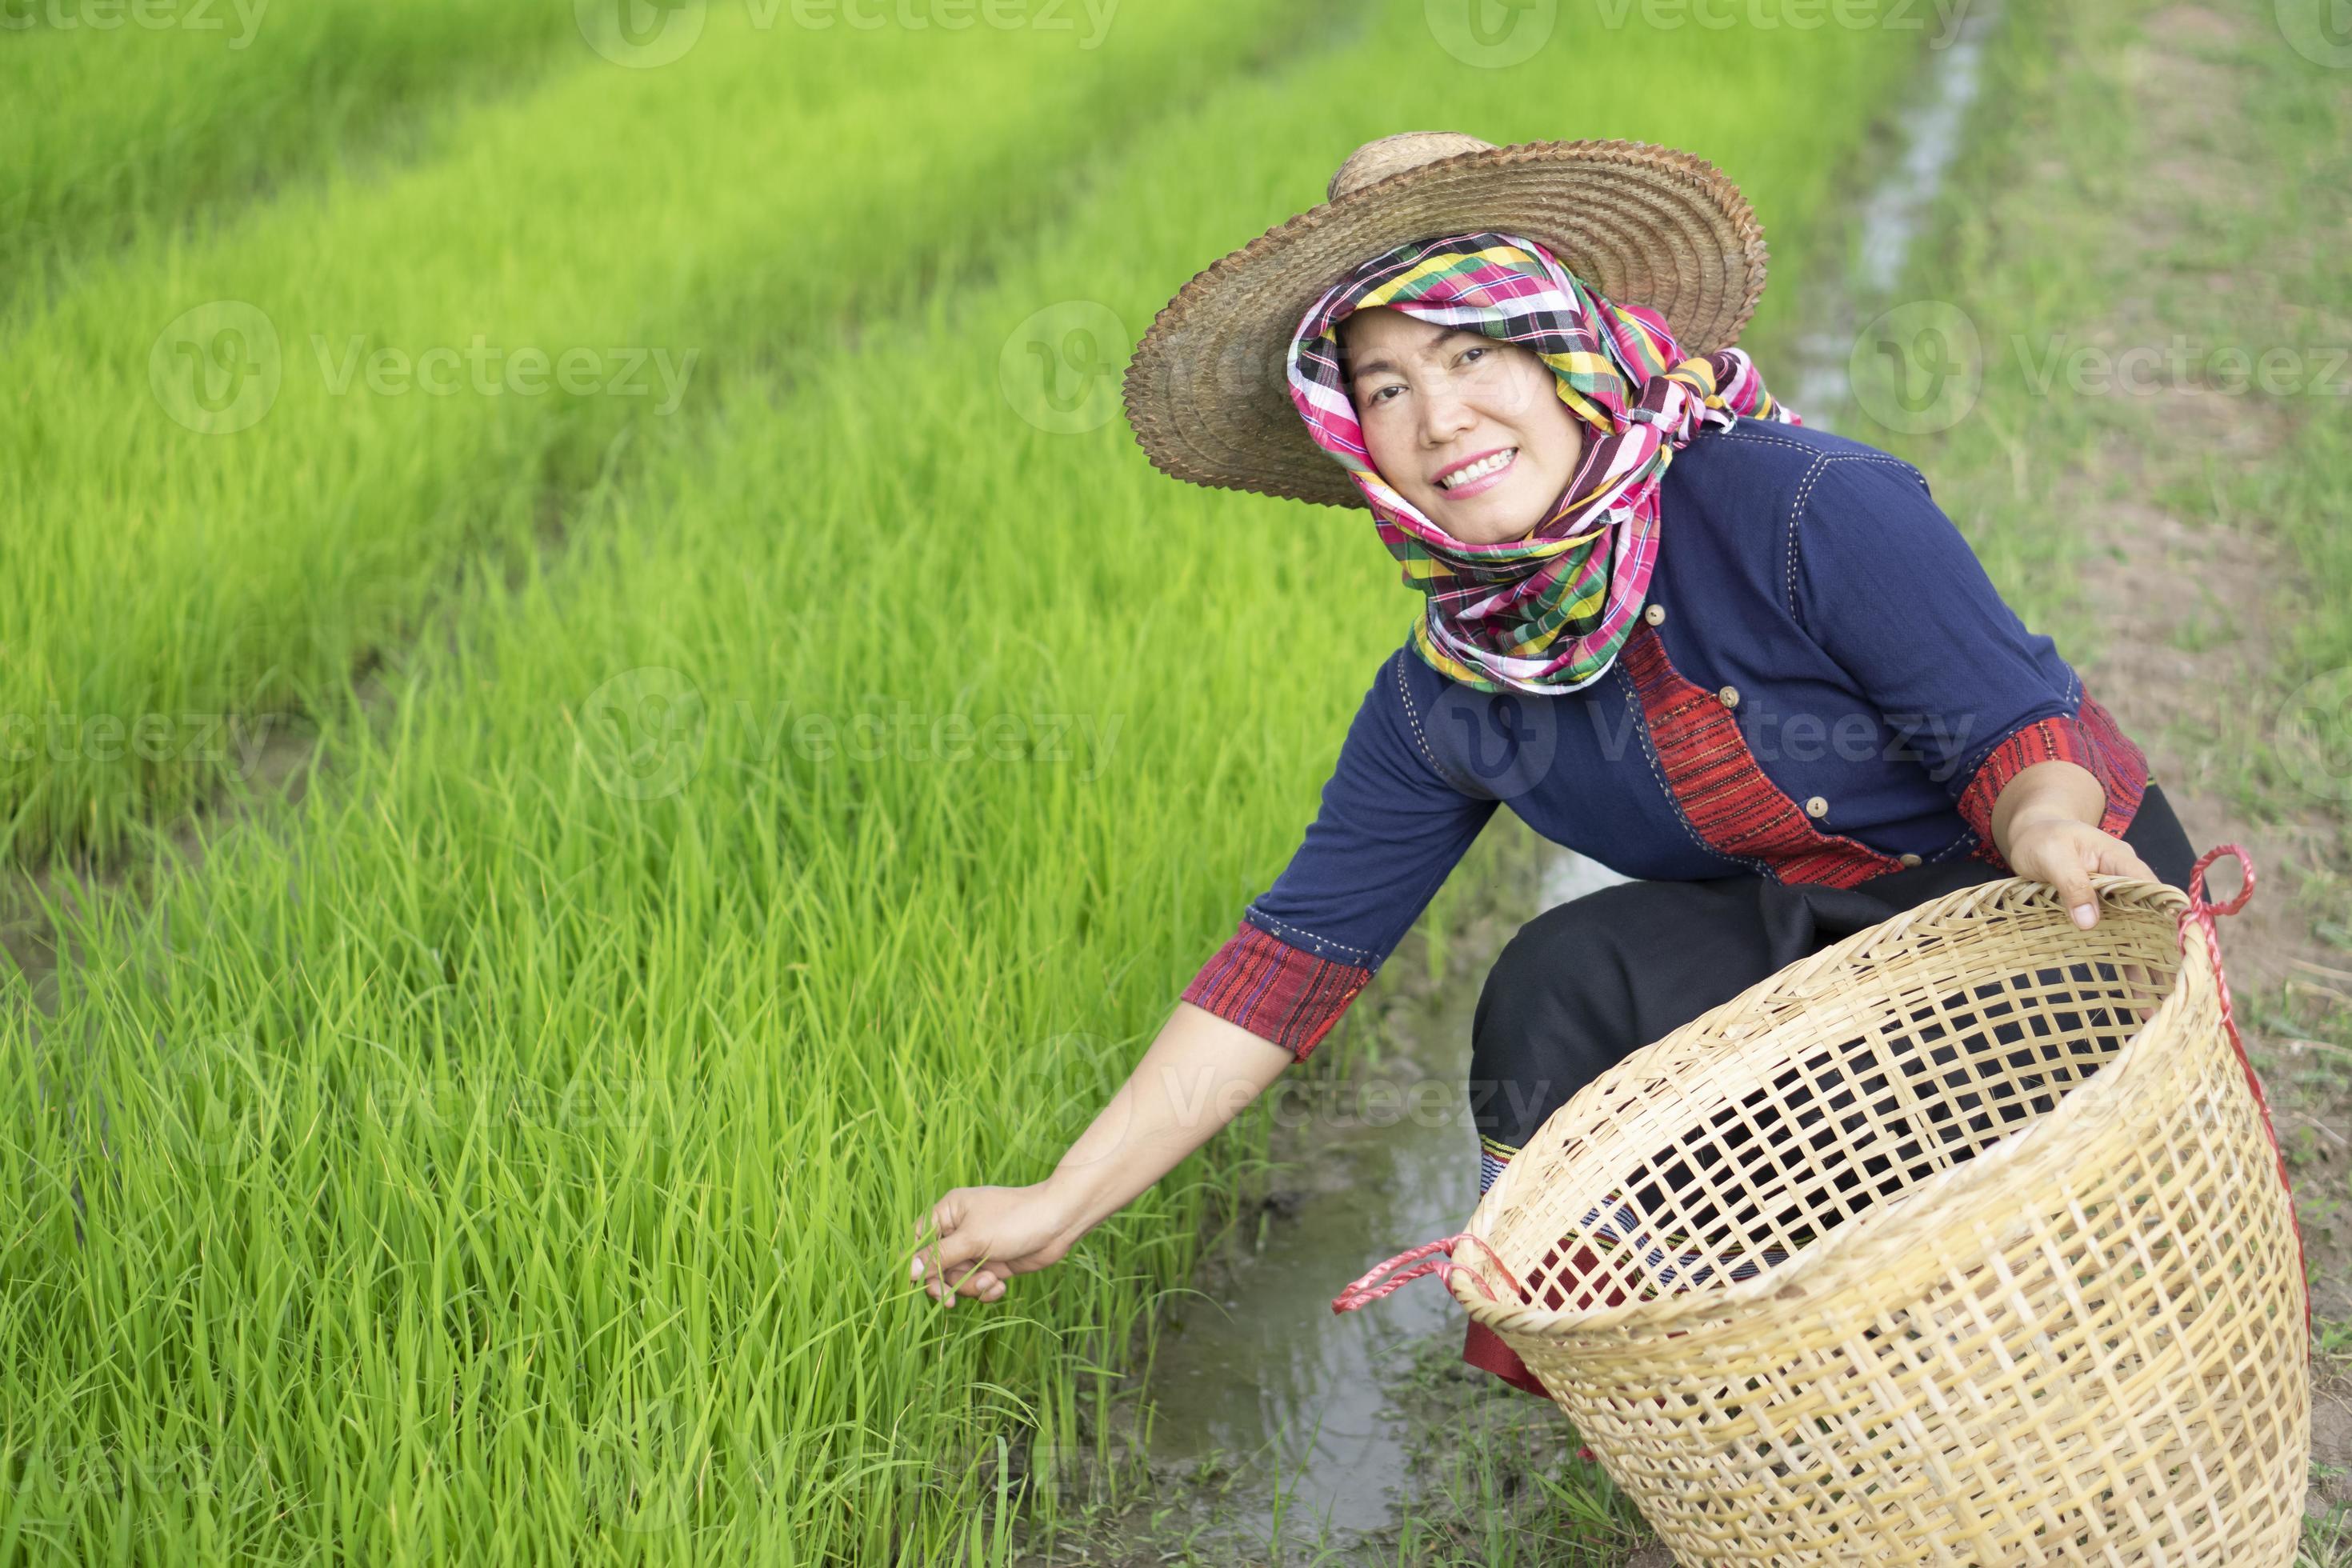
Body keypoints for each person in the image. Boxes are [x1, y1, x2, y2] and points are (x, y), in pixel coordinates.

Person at [909, 131, 2196, 1395]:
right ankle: (1710, 1388)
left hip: (2047, 913)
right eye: (1386, 387)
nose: (1439, 418)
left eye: (1474, 353)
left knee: (1966, 1259)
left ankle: (1966, 1303)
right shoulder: (1454, 690)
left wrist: (2041, 829)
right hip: (1826, 961)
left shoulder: (1793, 501)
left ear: (1566, 354)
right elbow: (1289, 962)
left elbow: (2015, 736)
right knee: (1558, 983)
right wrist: (1063, 1200)